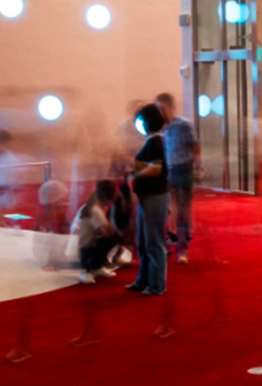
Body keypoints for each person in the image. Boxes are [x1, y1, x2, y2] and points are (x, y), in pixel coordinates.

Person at [127, 103, 169, 296]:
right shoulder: (155, 141)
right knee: (144, 242)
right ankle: (144, 280)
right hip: (150, 197)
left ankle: (156, 285)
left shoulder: (155, 141)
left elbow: (157, 168)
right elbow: (152, 165)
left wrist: (136, 175)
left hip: (155, 196)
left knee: (153, 242)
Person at [156, 92, 200, 264]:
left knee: (184, 208)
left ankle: (183, 247)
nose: (160, 113)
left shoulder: (183, 125)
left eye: (162, 109)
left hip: (184, 169)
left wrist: (197, 166)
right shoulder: (160, 128)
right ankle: (171, 240)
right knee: (170, 208)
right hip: (168, 170)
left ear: (170, 108)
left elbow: (195, 146)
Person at [74, 180, 119, 283]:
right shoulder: (96, 210)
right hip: (86, 250)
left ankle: (96, 267)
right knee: (112, 238)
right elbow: (107, 232)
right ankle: (87, 270)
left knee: (109, 238)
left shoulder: (92, 206)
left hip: (84, 247)